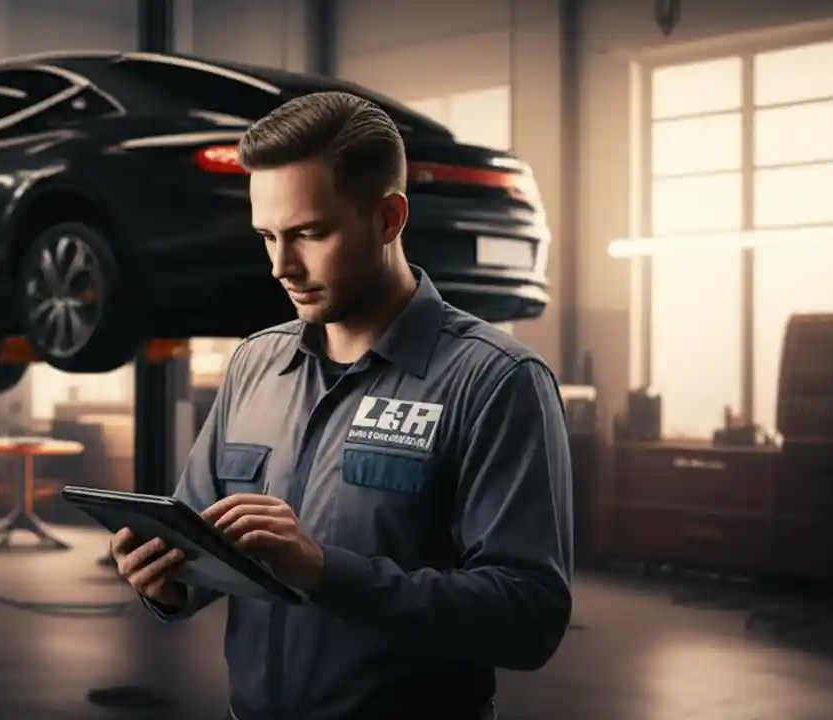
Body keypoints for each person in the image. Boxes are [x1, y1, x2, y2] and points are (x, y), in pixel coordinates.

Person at [110, 92, 573, 720]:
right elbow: (201, 545)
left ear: (388, 219)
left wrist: (326, 570)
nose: (280, 266)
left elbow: (529, 617)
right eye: (267, 236)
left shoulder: (494, 382)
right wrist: (168, 583)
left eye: (308, 233)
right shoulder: (254, 366)